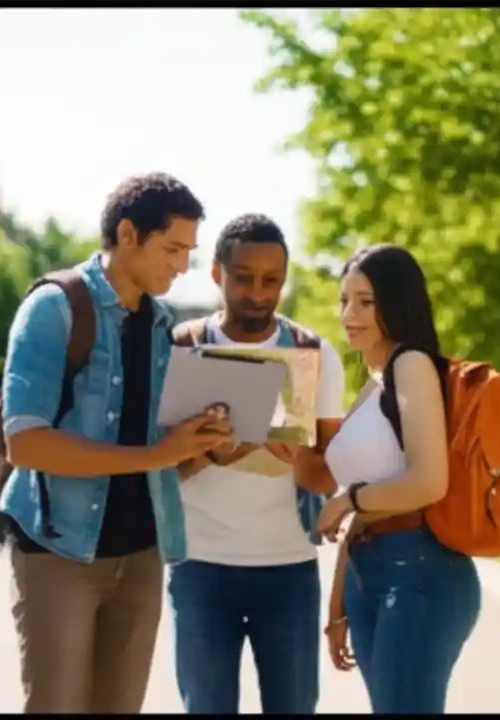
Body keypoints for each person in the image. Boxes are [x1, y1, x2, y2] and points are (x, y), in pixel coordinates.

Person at [0, 172, 236, 714]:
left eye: (187, 253)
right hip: (58, 549)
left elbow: (152, 454)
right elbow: (25, 442)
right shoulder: (54, 308)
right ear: (128, 234)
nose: (181, 265)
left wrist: (198, 446)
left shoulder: (159, 324)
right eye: (171, 248)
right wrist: (157, 454)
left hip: (141, 553)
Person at [170, 213, 346, 714]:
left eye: (271, 281)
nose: (257, 293)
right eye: (243, 277)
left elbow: (324, 476)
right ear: (217, 274)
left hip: (287, 568)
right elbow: (159, 467)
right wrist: (212, 451)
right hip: (199, 565)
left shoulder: (314, 354)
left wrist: (297, 456)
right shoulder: (182, 346)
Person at [313, 243, 482, 714]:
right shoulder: (374, 380)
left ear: (397, 301)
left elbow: (429, 483)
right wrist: (338, 603)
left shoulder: (411, 364)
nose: (350, 313)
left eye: (365, 301)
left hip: (419, 572)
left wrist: (348, 499)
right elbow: (367, 508)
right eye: (344, 300)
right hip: (371, 574)